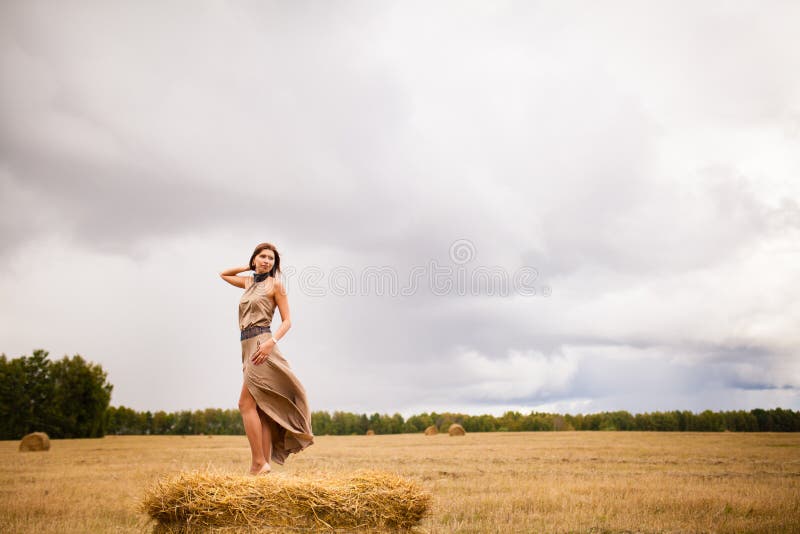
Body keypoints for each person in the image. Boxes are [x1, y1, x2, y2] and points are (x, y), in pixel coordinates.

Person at [219, 242, 314, 475]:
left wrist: (272, 342)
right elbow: (223, 274)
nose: (266, 261)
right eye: (262, 257)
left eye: (271, 259)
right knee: (259, 409)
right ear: (254, 259)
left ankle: (259, 463)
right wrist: (249, 266)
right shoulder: (249, 282)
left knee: (245, 404)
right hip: (246, 344)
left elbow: (287, 321)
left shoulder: (276, 286)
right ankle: (261, 464)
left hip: (262, 344)